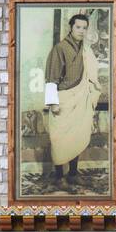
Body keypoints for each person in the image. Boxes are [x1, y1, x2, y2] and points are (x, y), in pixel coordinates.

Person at [43, 12, 100, 190]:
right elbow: (51, 78)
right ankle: (59, 177)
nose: (81, 31)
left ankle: (73, 174)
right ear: (71, 27)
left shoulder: (85, 49)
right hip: (63, 98)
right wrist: (53, 102)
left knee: (77, 135)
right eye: (78, 27)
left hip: (80, 97)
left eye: (84, 28)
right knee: (59, 138)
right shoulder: (60, 48)